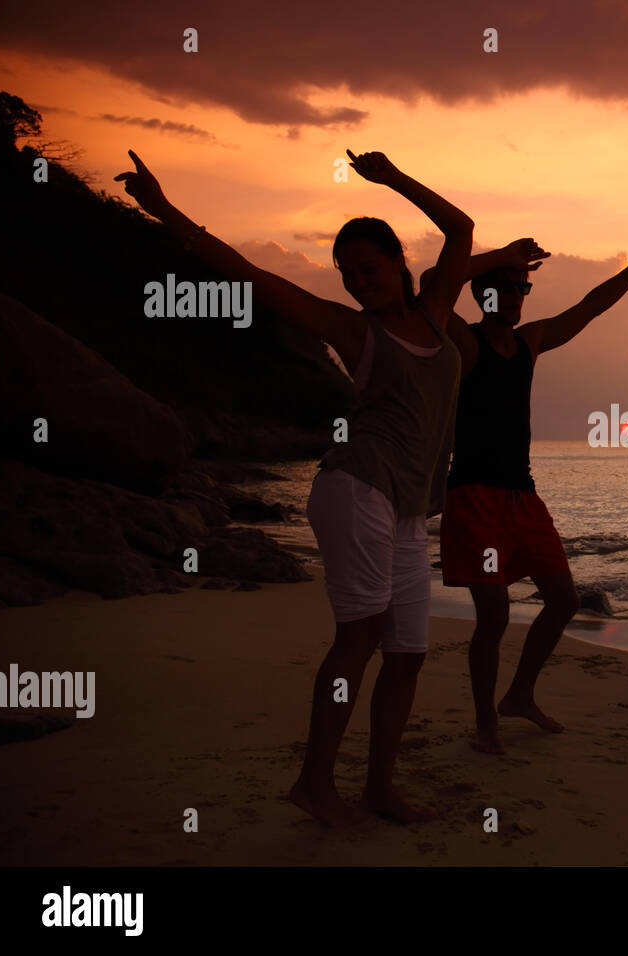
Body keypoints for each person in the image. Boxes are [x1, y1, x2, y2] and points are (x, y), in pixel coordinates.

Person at [116, 148, 472, 826]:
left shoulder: (434, 312)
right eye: (349, 274)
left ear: (400, 262)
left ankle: (378, 788)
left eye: (370, 267)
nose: (360, 281)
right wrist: (163, 211)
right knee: (359, 640)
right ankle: (315, 783)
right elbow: (247, 275)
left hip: (404, 509)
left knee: (408, 654)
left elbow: (460, 230)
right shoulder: (349, 329)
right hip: (357, 489)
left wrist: (393, 178)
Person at [439, 229, 628, 753]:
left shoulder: (529, 343)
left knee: (564, 599)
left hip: (521, 496)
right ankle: (486, 722)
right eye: (503, 288)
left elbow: (589, 307)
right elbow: (432, 286)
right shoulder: (465, 340)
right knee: (495, 614)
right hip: (474, 496)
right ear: (482, 294)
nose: (514, 297)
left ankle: (519, 695)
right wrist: (500, 256)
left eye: (521, 289)